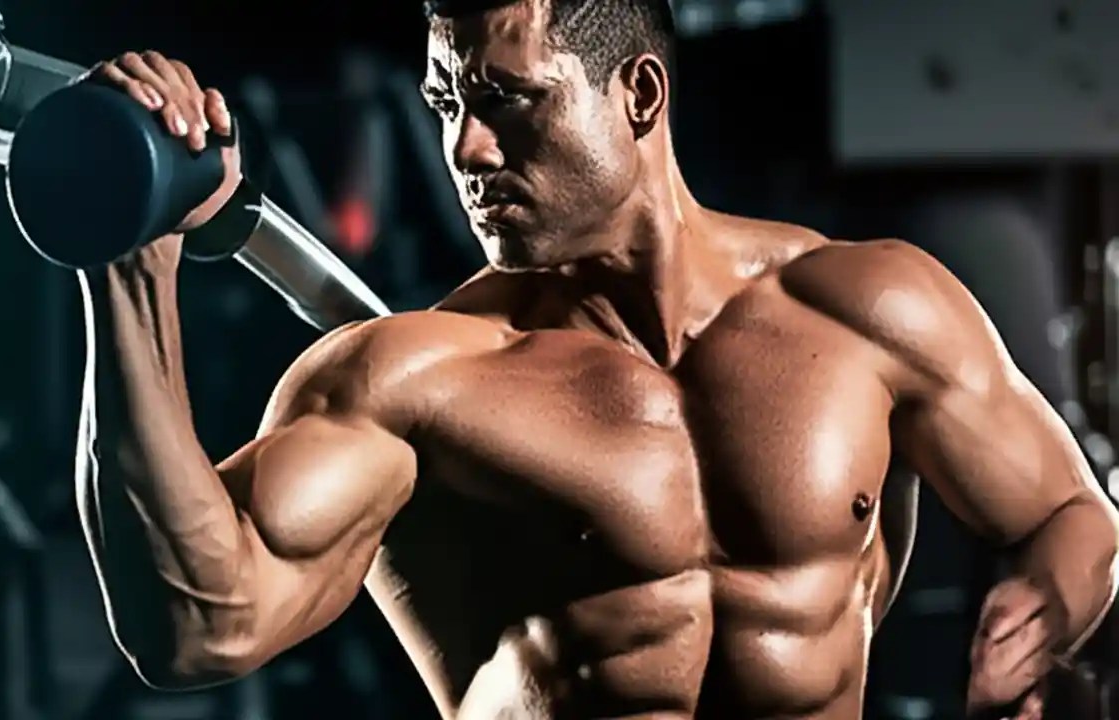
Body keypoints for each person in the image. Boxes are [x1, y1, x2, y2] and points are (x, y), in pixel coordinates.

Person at [72, 0, 1119, 717]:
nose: (465, 151)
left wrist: (1031, 632)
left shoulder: (869, 308)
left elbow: (1070, 517)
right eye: (448, 106)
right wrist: (127, 259)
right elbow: (197, 624)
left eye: (505, 99)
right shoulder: (415, 382)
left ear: (639, 96)